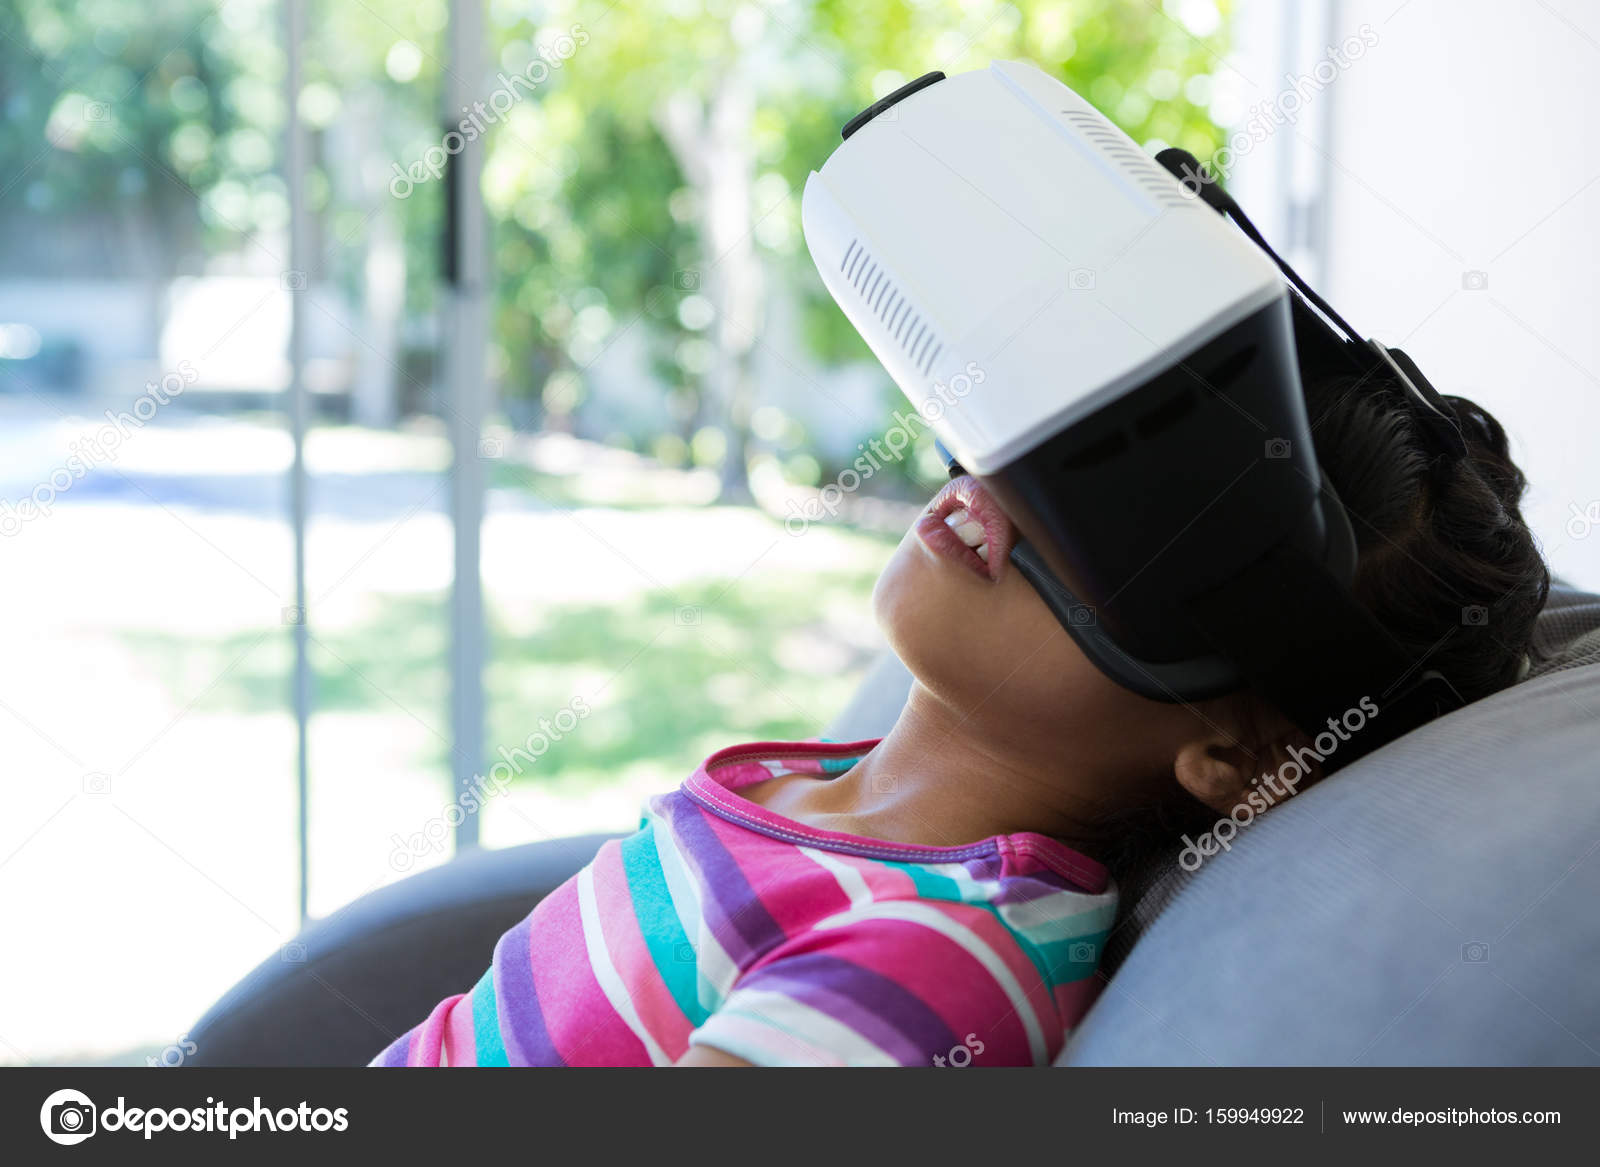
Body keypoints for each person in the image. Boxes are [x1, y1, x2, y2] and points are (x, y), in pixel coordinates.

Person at [372, 354, 1548, 1067]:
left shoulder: (939, 963)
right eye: (1100, 439)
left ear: (1235, 749)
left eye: (1154, 526)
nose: (1022, 479)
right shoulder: (810, 792)